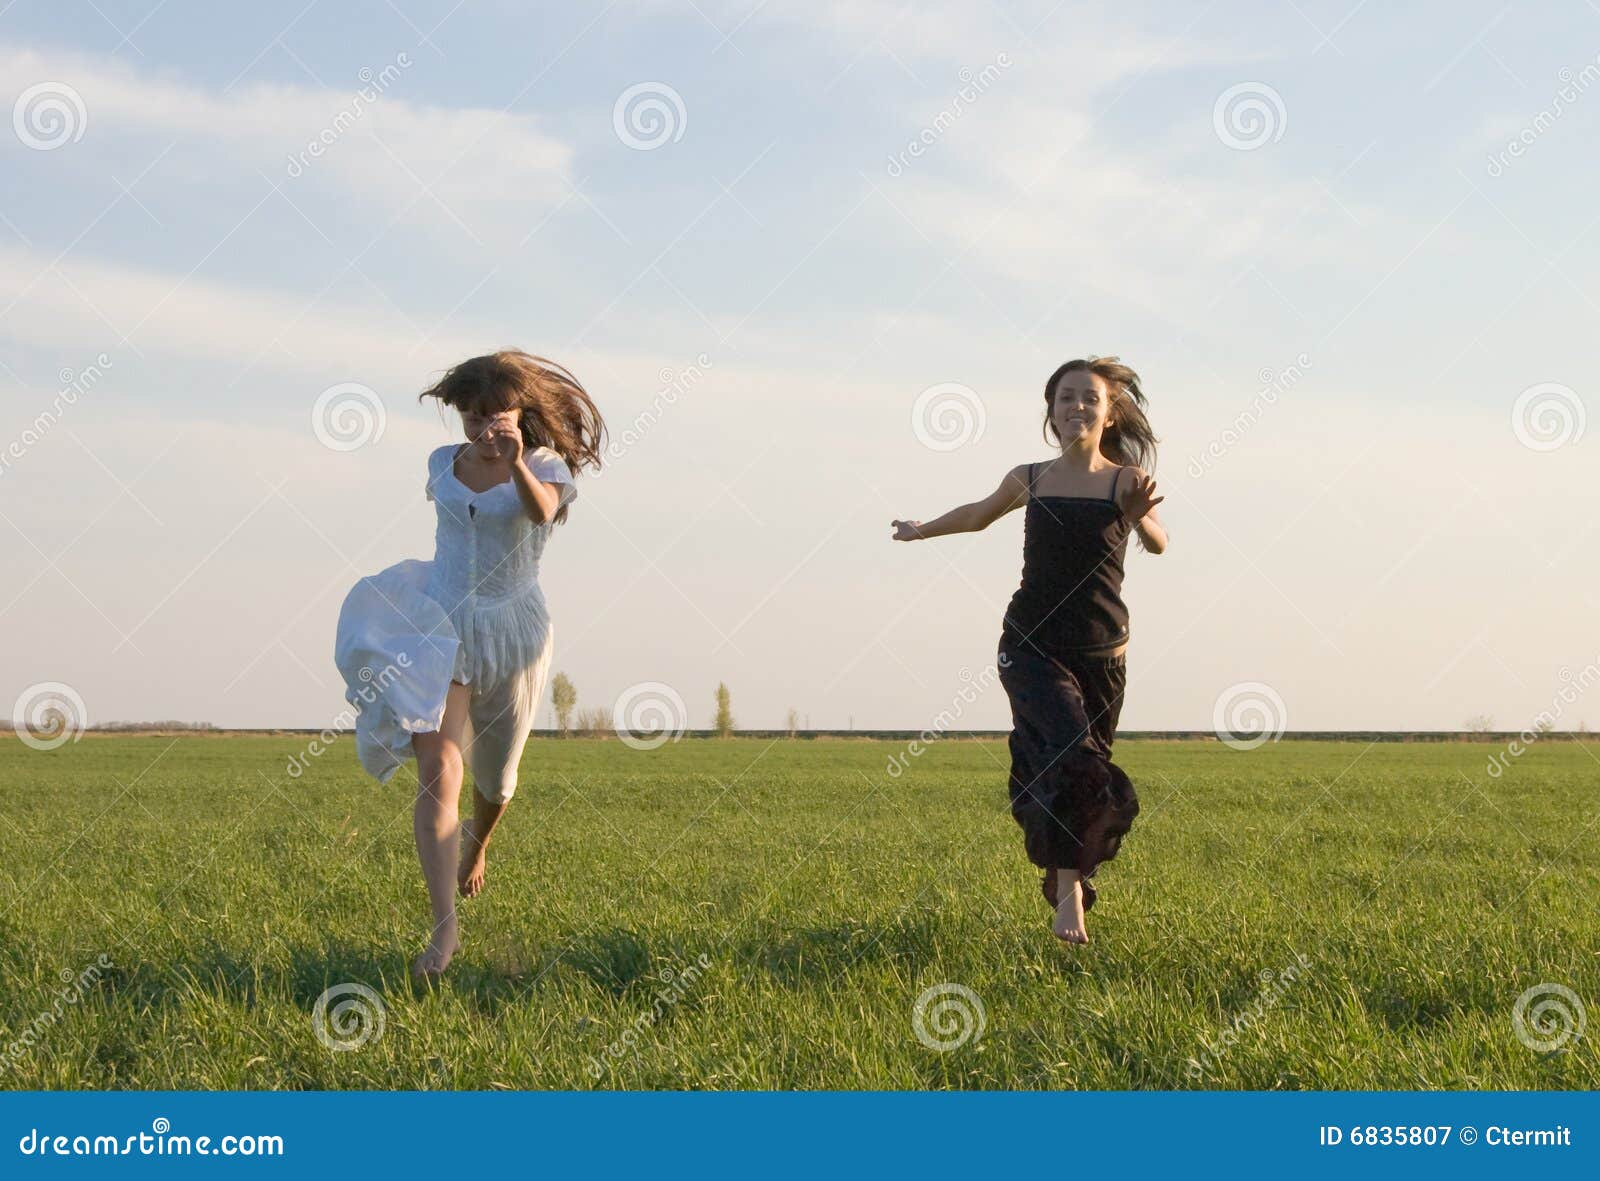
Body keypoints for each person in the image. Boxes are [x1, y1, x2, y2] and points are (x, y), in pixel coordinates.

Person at [333, 350, 605, 979]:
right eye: (470, 416)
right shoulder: (441, 464)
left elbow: (543, 513)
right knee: (439, 764)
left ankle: (478, 841)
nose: (482, 428)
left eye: (493, 415)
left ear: (519, 412)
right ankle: (443, 932)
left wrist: (513, 465)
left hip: (513, 631)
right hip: (440, 623)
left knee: (496, 780)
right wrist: (485, 457)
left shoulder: (545, 466)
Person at [892, 356, 1167, 945]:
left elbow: (1159, 543)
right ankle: (1070, 904)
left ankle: (1068, 880)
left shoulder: (1123, 482)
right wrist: (923, 529)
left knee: (1083, 778)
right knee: (1072, 757)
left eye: (1089, 398)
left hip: (1102, 655)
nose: (1077, 407)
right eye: (1065, 398)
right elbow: (977, 515)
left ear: (1109, 410)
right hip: (1031, 645)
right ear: (1051, 411)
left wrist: (1141, 521)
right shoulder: (1032, 477)